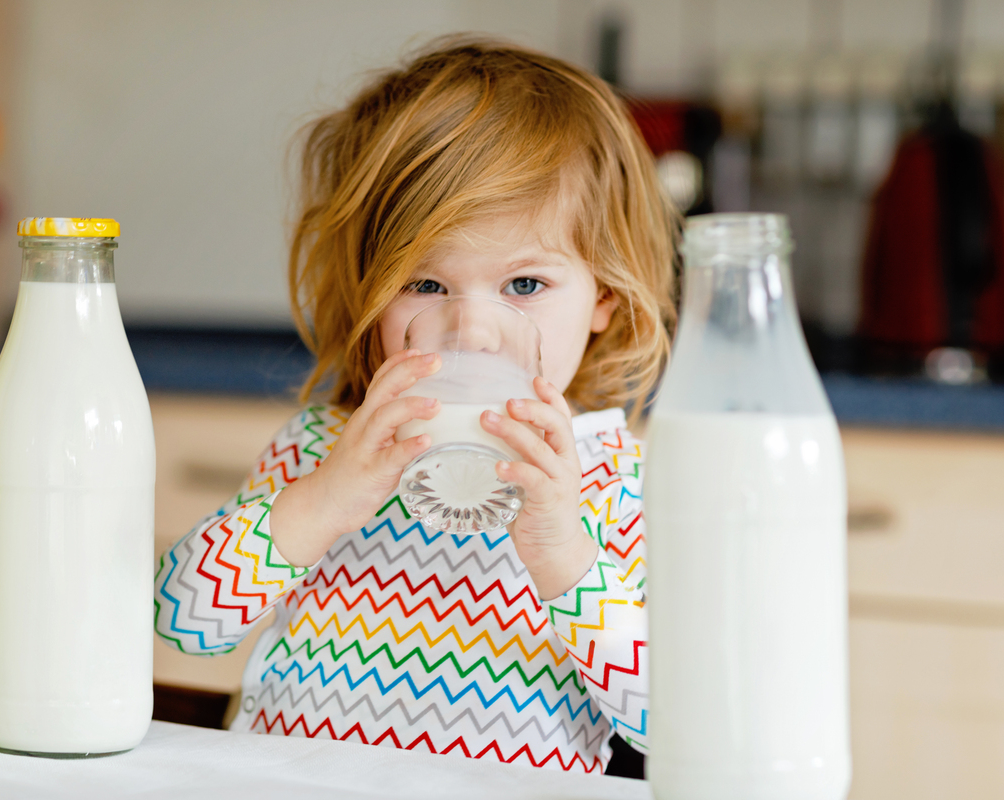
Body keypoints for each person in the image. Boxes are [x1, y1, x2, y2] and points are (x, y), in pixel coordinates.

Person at [155, 36, 676, 774]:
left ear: (606, 297)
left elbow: (681, 725)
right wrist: (324, 499)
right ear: (369, 295)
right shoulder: (323, 448)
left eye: (525, 285)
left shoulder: (619, 485)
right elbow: (184, 622)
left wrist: (564, 557)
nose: (472, 330)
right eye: (425, 286)